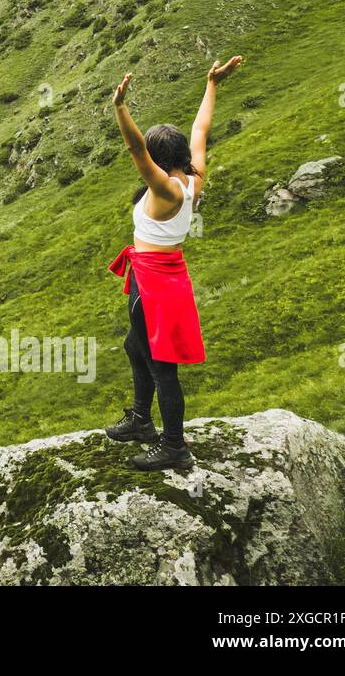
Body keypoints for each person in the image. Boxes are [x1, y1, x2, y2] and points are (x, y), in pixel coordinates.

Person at [104, 55, 244, 470]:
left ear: (158, 158)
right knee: (136, 345)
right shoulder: (192, 179)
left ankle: (174, 447)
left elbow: (133, 146)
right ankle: (142, 421)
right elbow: (201, 128)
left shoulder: (165, 189)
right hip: (165, 275)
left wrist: (120, 107)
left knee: (162, 366)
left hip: (153, 284)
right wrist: (212, 84)